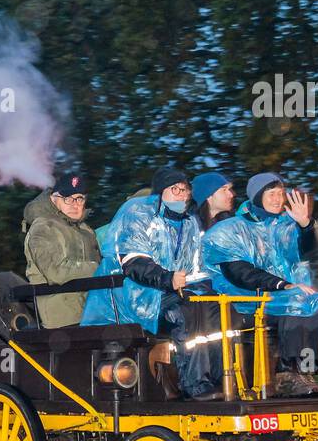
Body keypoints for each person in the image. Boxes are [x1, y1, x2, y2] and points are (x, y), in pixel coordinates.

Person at [81, 167, 222, 400]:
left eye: (184, 189)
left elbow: (197, 268)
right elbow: (132, 261)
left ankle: (218, 380)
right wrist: (168, 279)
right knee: (186, 311)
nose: (180, 194)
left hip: (166, 290)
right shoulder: (137, 212)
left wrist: (207, 291)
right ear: (160, 193)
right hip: (128, 293)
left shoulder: (189, 222)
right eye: (173, 189)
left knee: (215, 306)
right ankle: (194, 385)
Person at [202, 172, 318, 397]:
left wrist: (306, 224)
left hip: (280, 295)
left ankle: (305, 371)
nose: (277, 199)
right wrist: (283, 285)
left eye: (281, 193)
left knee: (317, 305)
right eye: (271, 194)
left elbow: (312, 249)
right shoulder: (230, 229)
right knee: (295, 304)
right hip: (243, 299)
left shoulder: (285, 226)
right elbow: (239, 273)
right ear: (257, 197)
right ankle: (287, 375)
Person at [20, 171, 102, 327]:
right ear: (53, 199)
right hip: (64, 322)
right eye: (67, 198)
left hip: (92, 314)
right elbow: (56, 272)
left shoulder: (86, 230)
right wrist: (98, 268)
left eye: (79, 198)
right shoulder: (44, 227)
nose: (75, 204)